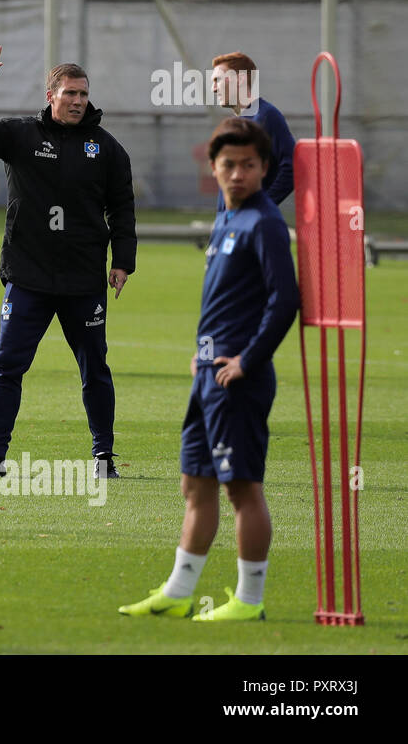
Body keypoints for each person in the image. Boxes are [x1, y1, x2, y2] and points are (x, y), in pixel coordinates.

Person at [119, 117, 299, 621]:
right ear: (213, 168)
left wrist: (248, 359)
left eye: (248, 165)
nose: (237, 174)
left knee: (241, 487)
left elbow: (285, 300)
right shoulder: (226, 217)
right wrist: (203, 350)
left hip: (236, 376)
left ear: (265, 168)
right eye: (228, 165)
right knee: (194, 484)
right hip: (208, 371)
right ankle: (178, 593)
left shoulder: (264, 222)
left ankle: (250, 600)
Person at [0, 41, 136, 479]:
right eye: (70, 93)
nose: (78, 101)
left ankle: (103, 458)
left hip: (82, 280)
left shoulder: (106, 148)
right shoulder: (21, 136)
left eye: (83, 94)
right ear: (50, 96)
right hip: (28, 275)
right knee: (7, 366)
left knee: (95, 368)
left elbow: (122, 207)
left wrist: (123, 260)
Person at [210, 51, 295, 209]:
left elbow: (292, 166)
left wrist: (261, 206)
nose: (213, 89)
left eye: (218, 80)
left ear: (240, 79)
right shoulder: (235, 123)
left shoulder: (267, 116)